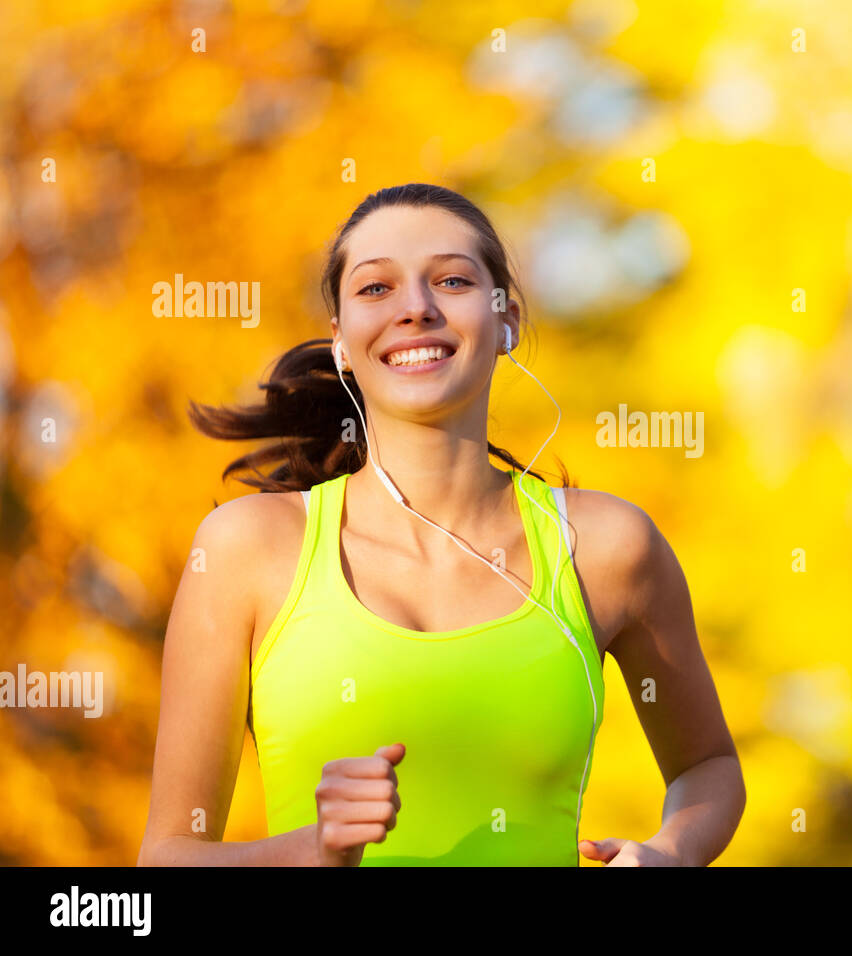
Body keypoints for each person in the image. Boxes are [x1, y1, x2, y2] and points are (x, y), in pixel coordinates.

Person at [137, 184, 745, 866]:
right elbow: (168, 857)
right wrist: (313, 851)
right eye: (375, 289)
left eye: (452, 280)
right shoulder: (246, 551)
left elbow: (709, 767)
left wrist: (669, 852)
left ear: (506, 318)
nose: (416, 308)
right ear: (340, 341)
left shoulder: (605, 548)